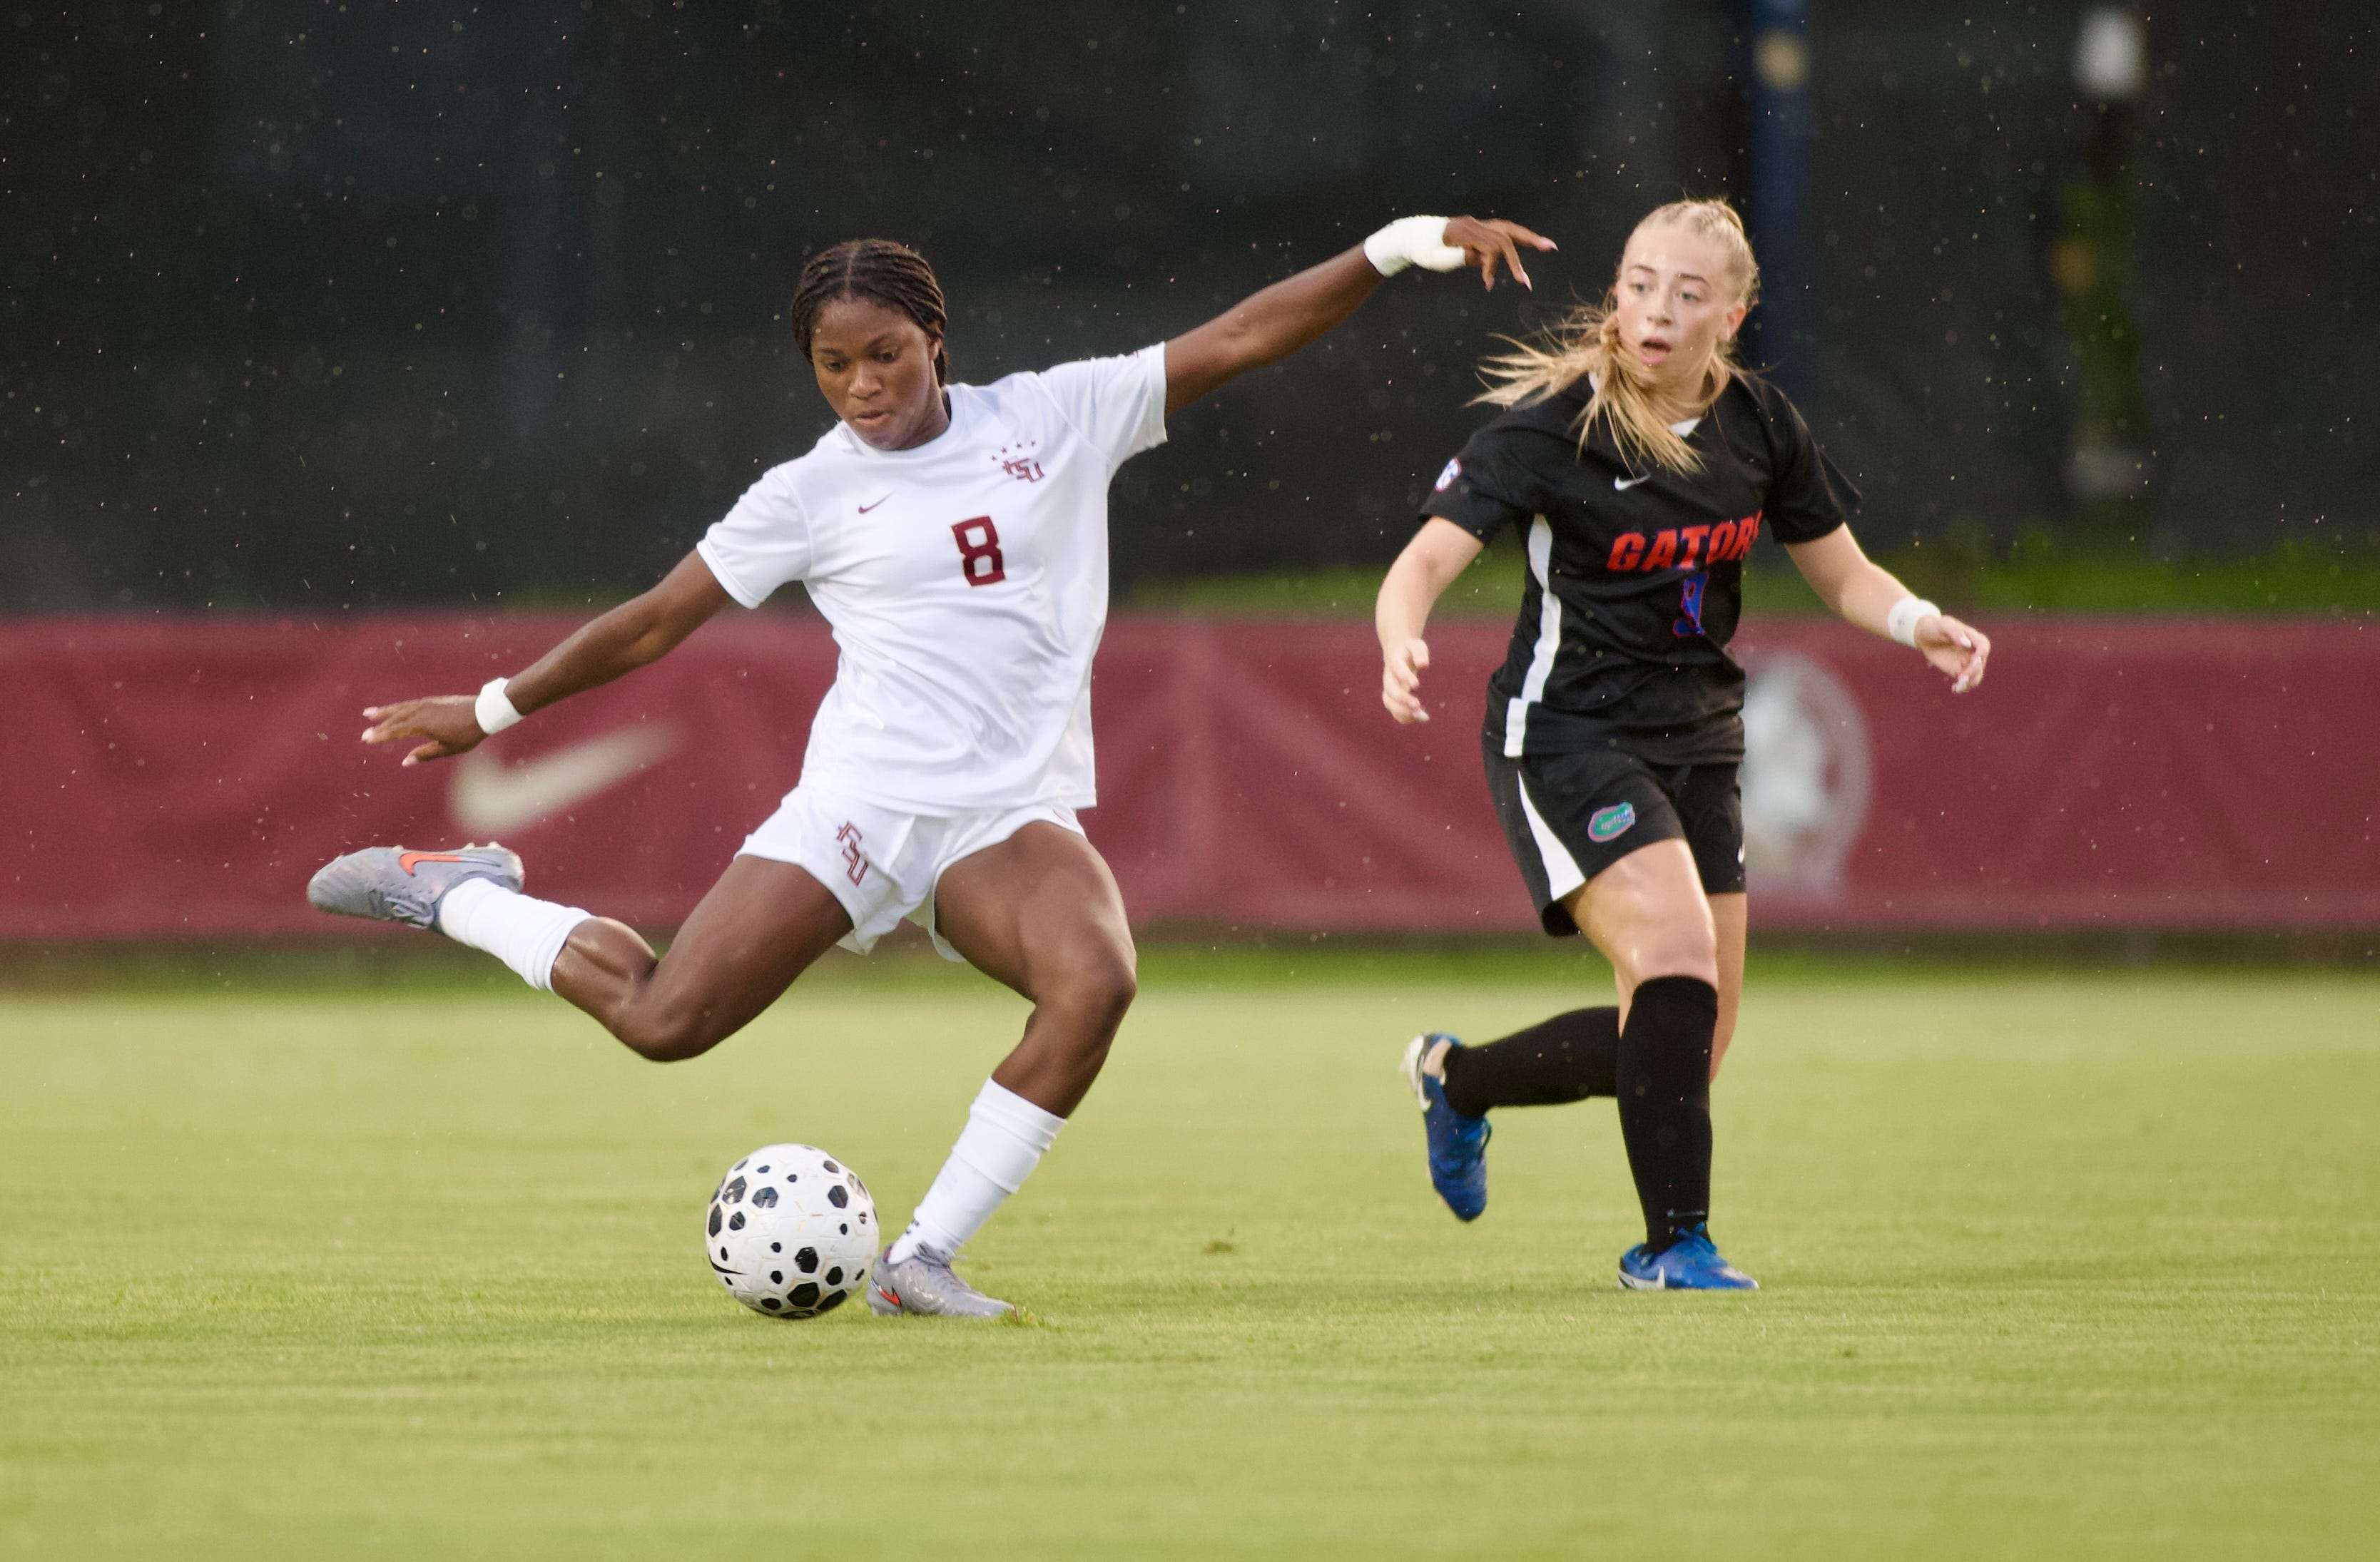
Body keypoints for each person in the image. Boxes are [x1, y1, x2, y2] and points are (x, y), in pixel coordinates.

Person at [311, 215, 1552, 1318]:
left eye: (884, 354)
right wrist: (491, 704)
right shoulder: (804, 494)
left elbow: (1239, 336)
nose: (862, 385)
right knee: (663, 1020)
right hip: (860, 802)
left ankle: (921, 1258)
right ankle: (461, 889)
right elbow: (652, 619)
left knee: (1095, 981)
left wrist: (1392, 246)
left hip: (1002, 815)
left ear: (935, 339)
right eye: (833, 364)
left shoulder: (1055, 414)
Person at [1373, 197, 1990, 1291]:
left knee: (1683, 1043)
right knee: (1671, 960)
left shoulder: (1759, 423)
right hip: (1565, 736)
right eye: (1640, 282)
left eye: (1688, 293)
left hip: (1698, 741)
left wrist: (1917, 620)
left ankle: (1457, 1079)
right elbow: (1423, 560)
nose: (1656, 309)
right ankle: (1673, 1247)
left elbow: (1842, 572)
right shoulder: (1555, 424)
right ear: (1615, 292)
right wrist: (1398, 638)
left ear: (1734, 315)